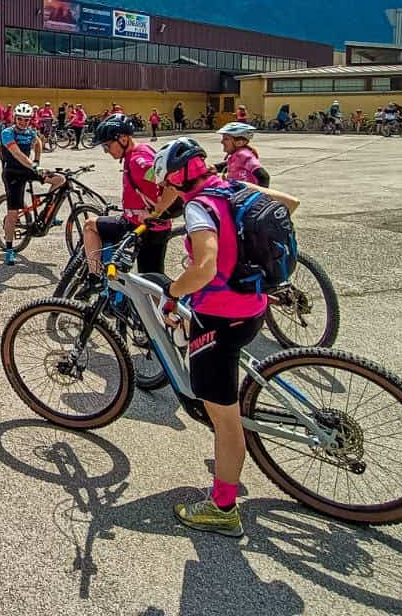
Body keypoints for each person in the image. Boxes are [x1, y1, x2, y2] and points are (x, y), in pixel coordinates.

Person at [150, 137, 300, 537]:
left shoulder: (198, 207)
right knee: (223, 385)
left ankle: (222, 508)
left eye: (165, 181)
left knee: (225, 419)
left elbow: (204, 267)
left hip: (220, 316)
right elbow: (289, 204)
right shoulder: (231, 188)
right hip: (253, 306)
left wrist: (172, 292)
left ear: (177, 179)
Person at [83, 114, 175, 278]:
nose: (106, 151)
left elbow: (173, 183)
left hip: (142, 227)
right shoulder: (140, 151)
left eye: (107, 145)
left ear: (123, 139)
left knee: (90, 225)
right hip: (155, 227)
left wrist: (157, 211)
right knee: (153, 279)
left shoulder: (138, 161)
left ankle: (94, 277)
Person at [0, 102, 64, 266]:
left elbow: (38, 143)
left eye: (26, 119)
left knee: (59, 180)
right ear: (15, 118)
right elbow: (17, 154)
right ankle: (9, 249)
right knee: (13, 213)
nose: (23, 122)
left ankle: (47, 215)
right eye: (20, 119)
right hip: (12, 173)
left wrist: (37, 161)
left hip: (28, 168)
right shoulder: (7, 133)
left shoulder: (31, 132)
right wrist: (35, 166)